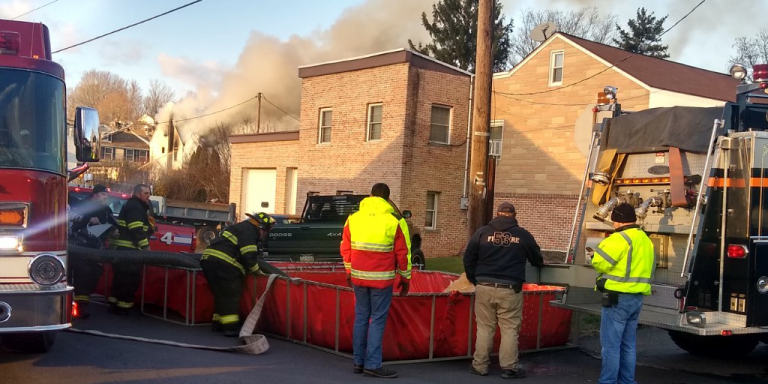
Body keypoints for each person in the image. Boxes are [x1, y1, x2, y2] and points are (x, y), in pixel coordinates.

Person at [463, 202, 543, 379]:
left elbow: (468, 258)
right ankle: (509, 367)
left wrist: (474, 279)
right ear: (514, 215)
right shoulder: (522, 235)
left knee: (485, 328)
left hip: (484, 286)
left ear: (497, 214)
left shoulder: (482, 233)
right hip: (510, 288)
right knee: (509, 329)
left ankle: (480, 366)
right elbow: (537, 258)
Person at [341, 183, 411, 379]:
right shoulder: (395, 220)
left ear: (370, 196)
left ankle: (358, 362)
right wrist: (405, 278)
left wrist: (348, 271)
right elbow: (403, 253)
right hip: (382, 280)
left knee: (361, 318)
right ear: (388, 199)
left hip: (358, 277)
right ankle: (372, 364)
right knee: (377, 320)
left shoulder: (353, 218)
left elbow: (345, 247)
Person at [590, 203, 654, 384]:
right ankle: (627, 381)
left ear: (616, 221)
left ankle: (607, 381)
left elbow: (601, 263)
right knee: (628, 345)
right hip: (637, 298)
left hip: (617, 299)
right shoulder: (645, 240)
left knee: (610, 346)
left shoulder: (618, 239)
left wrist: (593, 256)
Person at [200, 212, 275, 337]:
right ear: (261, 227)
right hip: (224, 264)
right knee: (231, 295)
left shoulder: (240, 227)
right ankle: (231, 328)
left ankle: (217, 324)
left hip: (209, 261)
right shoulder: (250, 231)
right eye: (266, 231)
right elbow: (249, 256)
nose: (265, 234)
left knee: (221, 294)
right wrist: (258, 271)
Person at [69, 185, 117, 319]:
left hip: (96, 248)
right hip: (80, 247)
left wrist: (114, 230)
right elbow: (71, 217)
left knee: (95, 274)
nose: (106, 197)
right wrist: (88, 219)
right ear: (95, 194)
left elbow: (112, 222)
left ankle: (83, 300)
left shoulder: (106, 209)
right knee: (83, 274)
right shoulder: (84, 205)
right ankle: (80, 306)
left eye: (106, 195)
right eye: (103, 194)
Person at [109, 184, 155, 315]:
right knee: (129, 280)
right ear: (138, 194)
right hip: (129, 250)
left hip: (124, 250)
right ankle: (124, 308)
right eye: (146, 193)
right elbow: (136, 229)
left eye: (149, 193)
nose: (148, 196)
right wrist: (146, 247)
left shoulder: (135, 205)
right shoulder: (135, 206)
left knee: (120, 278)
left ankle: (114, 304)